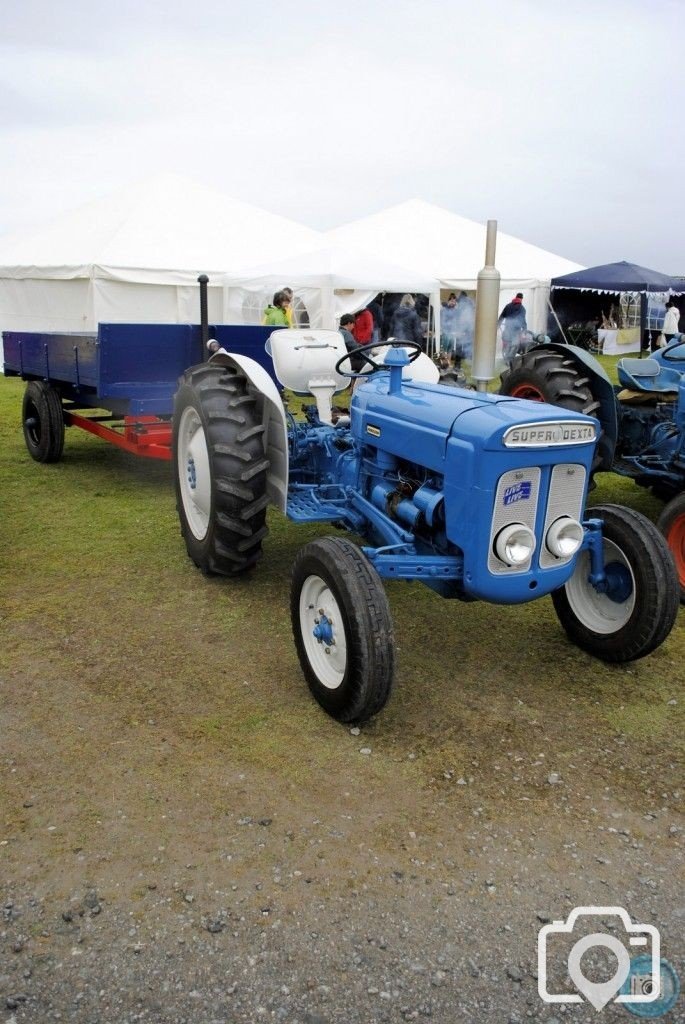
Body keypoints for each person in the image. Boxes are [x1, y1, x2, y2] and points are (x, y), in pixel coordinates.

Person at [498, 292, 527, 359]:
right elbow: (523, 320)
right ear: (521, 299)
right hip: (516, 331)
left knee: (507, 343)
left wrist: (498, 325)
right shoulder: (522, 308)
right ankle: (509, 359)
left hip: (507, 328)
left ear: (516, 297)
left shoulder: (508, 306)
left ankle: (506, 358)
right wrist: (524, 330)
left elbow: (502, 316)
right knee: (515, 345)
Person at [440, 294, 460, 365]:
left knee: (450, 349)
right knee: (444, 348)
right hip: (445, 332)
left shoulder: (456, 310)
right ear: (448, 301)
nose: (453, 303)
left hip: (452, 332)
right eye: (451, 301)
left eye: (454, 301)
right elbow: (442, 321)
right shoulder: (444, 309)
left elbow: (457, 320)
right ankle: (443, 363)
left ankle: (448, 363)